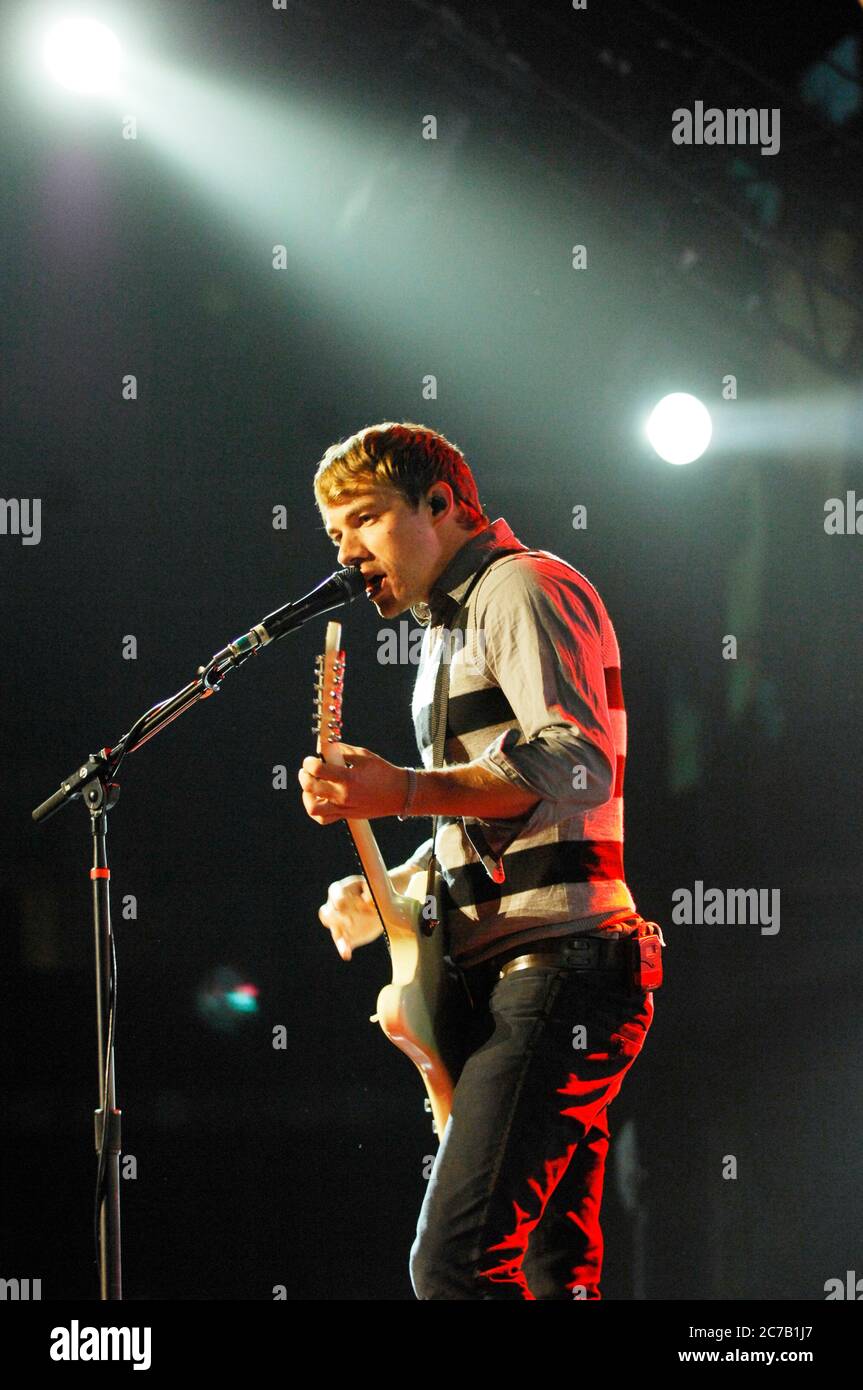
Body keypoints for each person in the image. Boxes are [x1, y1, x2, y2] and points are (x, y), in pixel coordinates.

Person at [298, 421, 661, 1300]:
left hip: (562, 965)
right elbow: (491, 806)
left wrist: (404, 790)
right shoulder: (446, 628)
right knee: (551, 1274)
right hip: (521, 975)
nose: (347, 552)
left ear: (442, 504)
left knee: (455, 1265)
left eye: (364, 520)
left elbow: (574, 761)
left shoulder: (521, 589)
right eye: (333, 533)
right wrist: (393, 885)